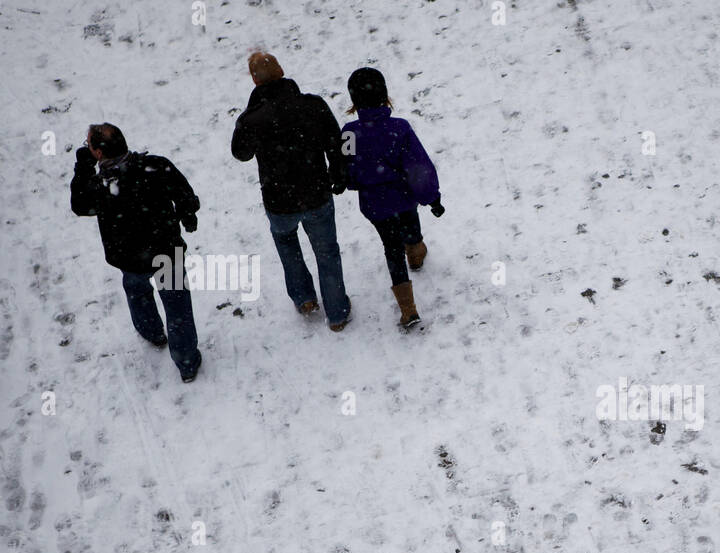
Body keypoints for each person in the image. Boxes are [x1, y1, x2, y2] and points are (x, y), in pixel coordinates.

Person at [70, 123, 203, 382]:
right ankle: (186, 361)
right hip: (167, 252)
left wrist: (82, 166)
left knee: (137, 291)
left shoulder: (99, 186)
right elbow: (183, 192)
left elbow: (80, 205)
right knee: (177, 306)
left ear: (98, 153)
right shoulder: (155, 166)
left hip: (128, 257)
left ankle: (152, 332)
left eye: (89, 145)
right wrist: (187, 214)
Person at [232, 51, 352, 331]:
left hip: (279, 201)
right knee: (327, 253)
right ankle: (336, 313)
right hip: (317, 195)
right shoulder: (313, 105)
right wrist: (339, 174)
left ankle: (304, 299)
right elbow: (338, 143)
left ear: (254, 80)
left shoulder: (253, 119)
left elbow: (240, 153)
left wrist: (250, 114)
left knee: (287, 246)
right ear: (282, 71)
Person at [341, 67, 444, 330]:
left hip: (375, 205)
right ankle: (416, 251)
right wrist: (432, 198)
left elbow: (347, 169)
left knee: (391, 248)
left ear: (354, 101)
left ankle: (408, 310)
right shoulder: (400, 128)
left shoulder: (349, 133)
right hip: (404, 197)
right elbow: (418, 167)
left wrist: (354, 181)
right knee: (410, 225)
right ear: (385, 96)